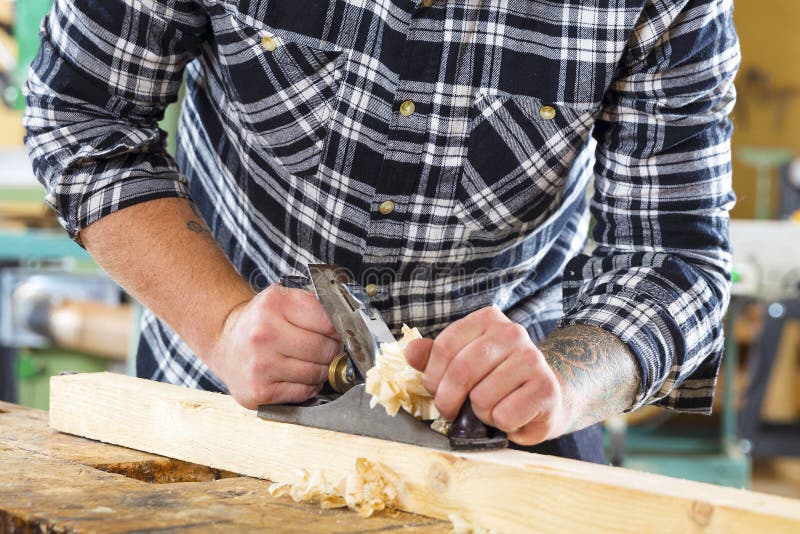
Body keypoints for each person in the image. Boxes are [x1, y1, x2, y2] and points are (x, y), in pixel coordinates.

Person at [24, 0, 739, 463]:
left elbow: (671, 261)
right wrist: (222, 322)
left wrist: (561, 381)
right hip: (216, 408)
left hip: (501, 445)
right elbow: (81, 113)